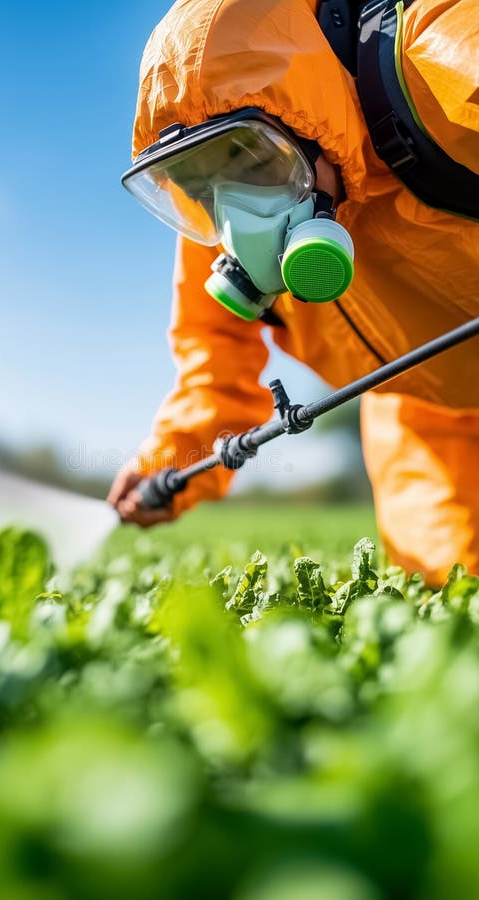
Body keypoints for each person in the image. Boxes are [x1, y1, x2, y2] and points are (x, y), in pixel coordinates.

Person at [107, 0, 479, 584]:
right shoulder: (218, 235)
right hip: (423, 409)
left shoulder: (446, 60)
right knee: (453, 590)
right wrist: (169, 464)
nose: (237, 218)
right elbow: (213, 366)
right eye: (200, 181)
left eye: (249, 159)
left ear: (308, 115)